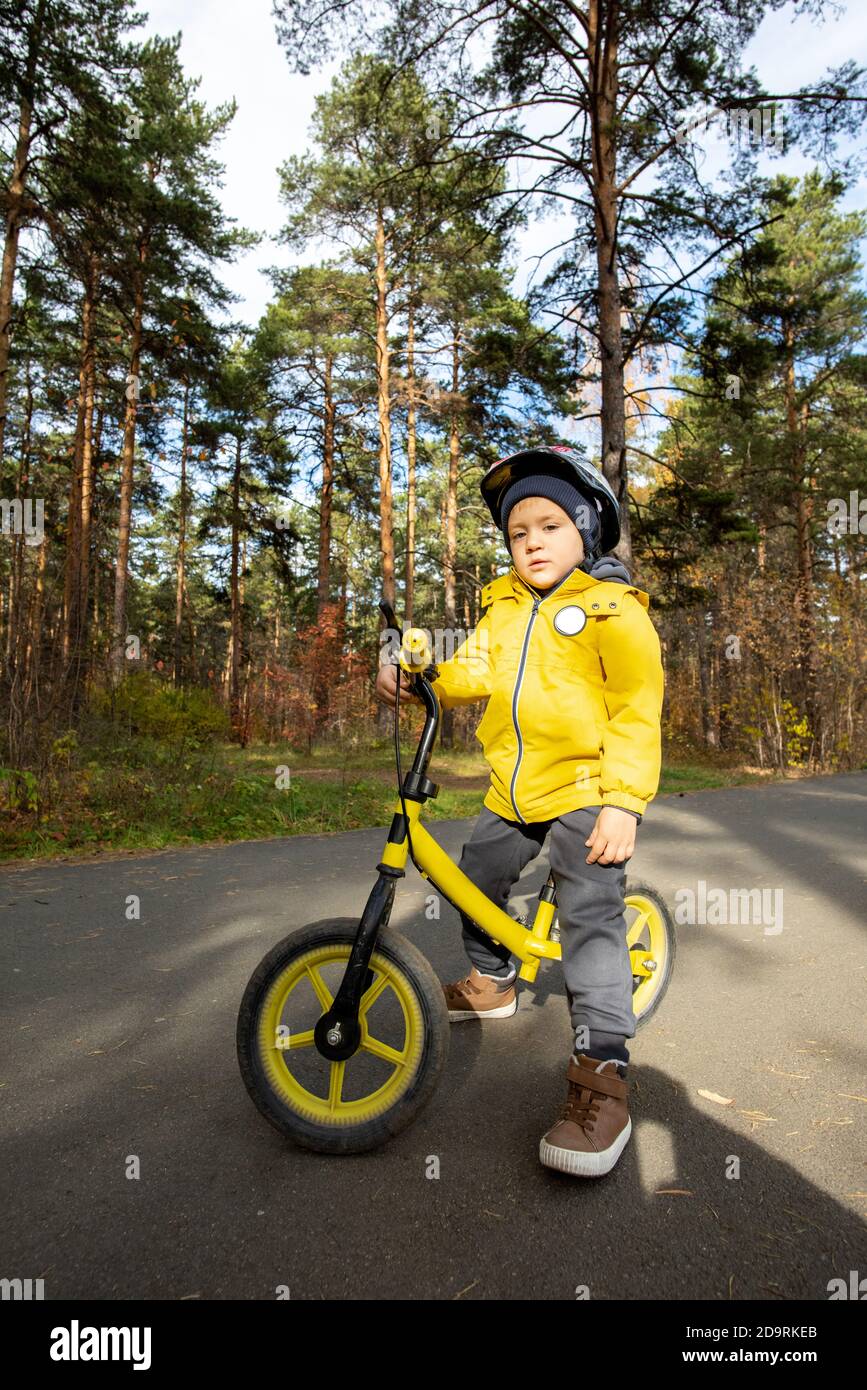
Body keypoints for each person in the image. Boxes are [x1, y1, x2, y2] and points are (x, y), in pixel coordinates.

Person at [375, 444, 664, 1177]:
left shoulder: (611, 610)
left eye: (548, 526)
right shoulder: (503, 606)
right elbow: (474, 668)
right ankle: (491, 980)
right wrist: (421, 679)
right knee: (475, 872)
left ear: (586, 532)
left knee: (589, 917)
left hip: (587, 793)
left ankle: (602, 1078)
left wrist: (623, 804)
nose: (530, 541)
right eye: (516, 533)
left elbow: (636, 710)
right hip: (513, 788)